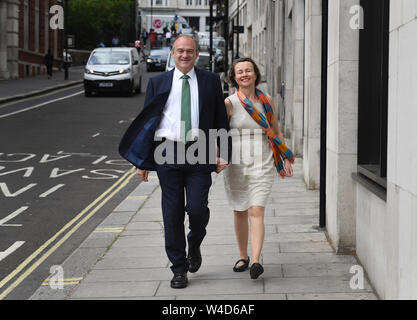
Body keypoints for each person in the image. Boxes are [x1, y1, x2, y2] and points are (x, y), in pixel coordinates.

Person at [119, 35, 231, 289]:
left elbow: (220, 120)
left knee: (197, 210)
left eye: (189, 51)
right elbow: (148, 123)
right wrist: (142, 161)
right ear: (172, 52)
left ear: (196, 53)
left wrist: (223, 152)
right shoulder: (157, 82)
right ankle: (179, 269)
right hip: (166, 152)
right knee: (172, 214)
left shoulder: (211, 81)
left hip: (200, 152)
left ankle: (195, 242)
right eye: (180, 51)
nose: (184, 55)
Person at [223, 57, 294, 279]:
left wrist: (285, 156)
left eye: (248, 70)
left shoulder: (267, 101)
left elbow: (276, 131)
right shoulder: (229, 103)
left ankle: (255, 260)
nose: (245, 74)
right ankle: (242, 256)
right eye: (240, 71)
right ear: (234, 77)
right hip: (236, 161)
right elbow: (220, 135)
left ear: (255, 74)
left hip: (263, 159)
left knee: (256, 209)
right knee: (240, 209)